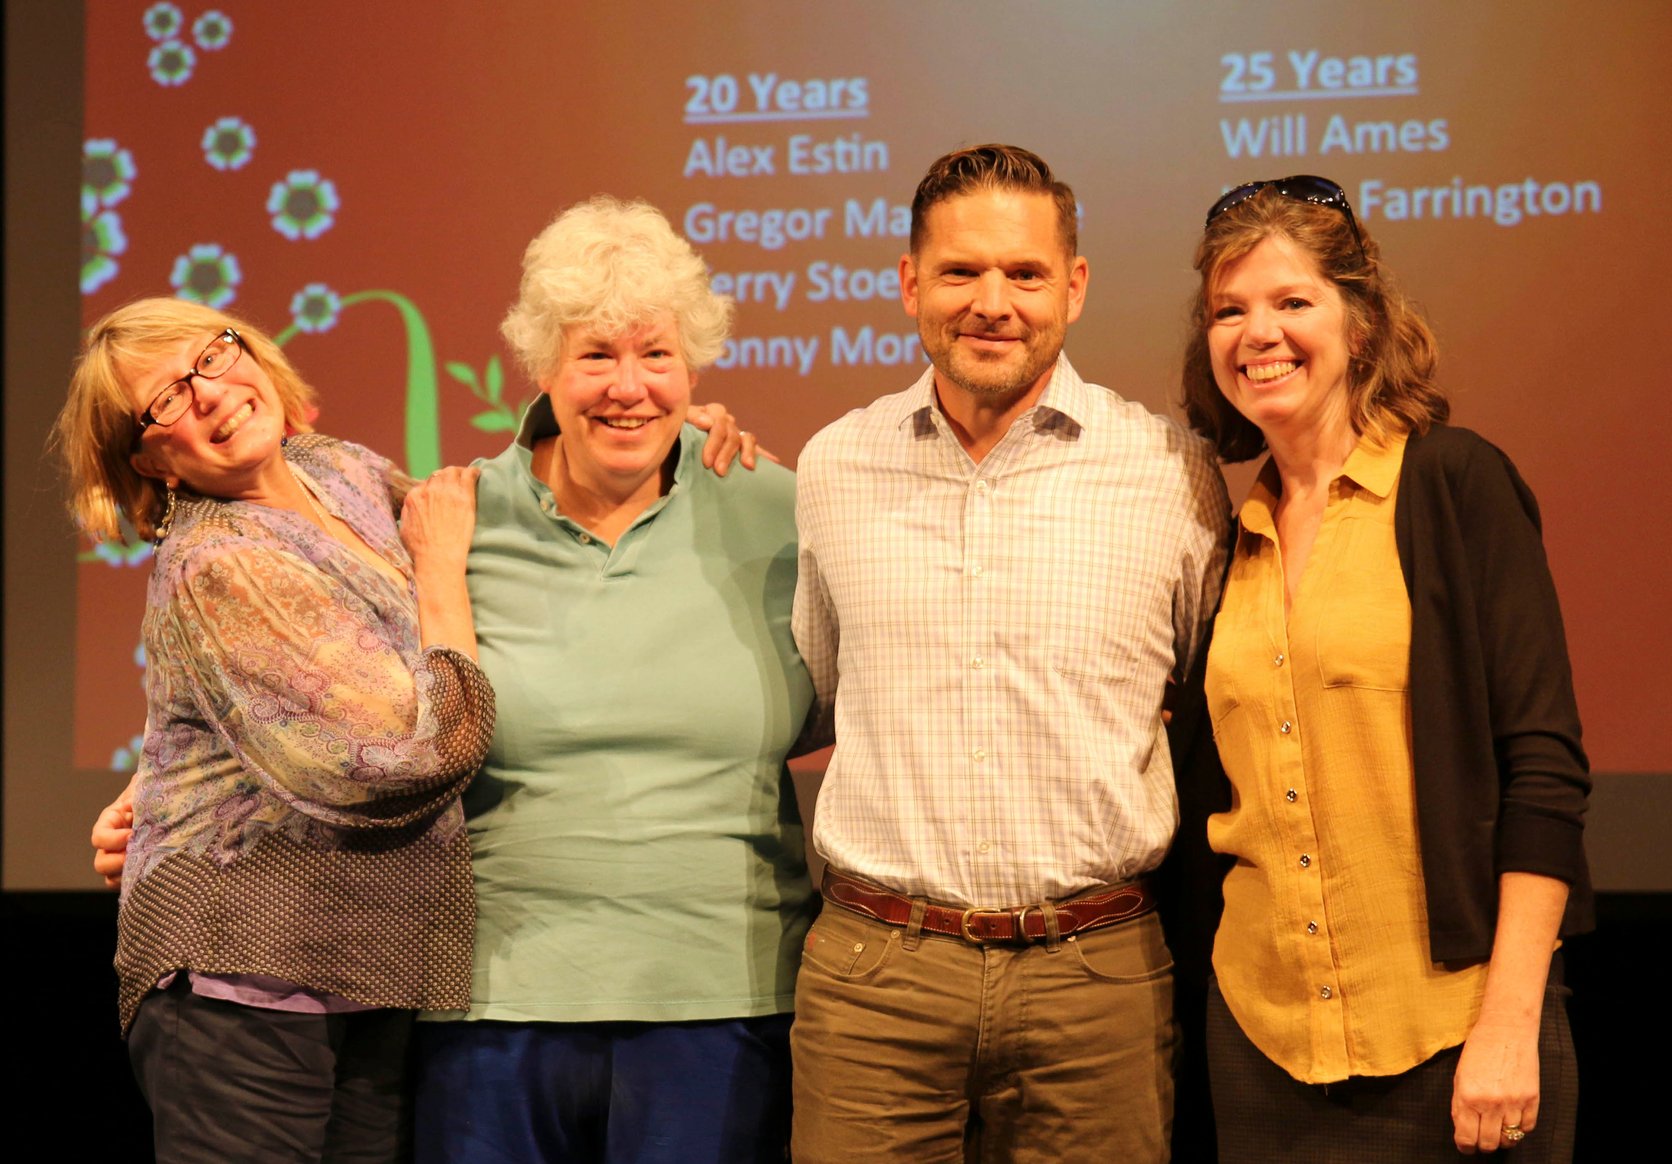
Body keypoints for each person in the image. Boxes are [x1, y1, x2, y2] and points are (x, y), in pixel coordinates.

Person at [790, 144, 1230, 1162]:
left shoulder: (1173, 472)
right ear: (909, 284)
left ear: (1071, 288)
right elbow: (820, 684)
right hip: (875, 979)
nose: (993, 302)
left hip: (1097, 973)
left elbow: (1211, 698)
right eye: (960, 272)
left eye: (1024, 273)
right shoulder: (832, 467)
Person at [1179, 176, 1590, 1160]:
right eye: (1227, 311)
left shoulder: (1454, 484)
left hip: (1455, 1035)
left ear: (1359, 326)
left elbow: (1542, 768)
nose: (1255, 332)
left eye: (1290, 302)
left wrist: (1507, 1025)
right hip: (1262, 1044)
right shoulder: (1224, 536)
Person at [408, 196, 816, 1163]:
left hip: (725, 1005)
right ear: (544, 367)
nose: (628, 387)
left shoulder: (780, 507)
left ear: (695, 367)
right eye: (596, 355)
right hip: (491, 1011)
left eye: (657, 355)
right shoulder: (453, 517)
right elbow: (336, 699)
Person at [58, 296, 496, 1161]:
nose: (210, 395)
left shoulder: (333, 468)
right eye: (168, 401)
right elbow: (404, 755)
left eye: (209, 360)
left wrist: (670, 445)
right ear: (155, 464)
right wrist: (439, 576)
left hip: (363, 964)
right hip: (238, 977)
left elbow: (487, 523)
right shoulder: (221, 559)